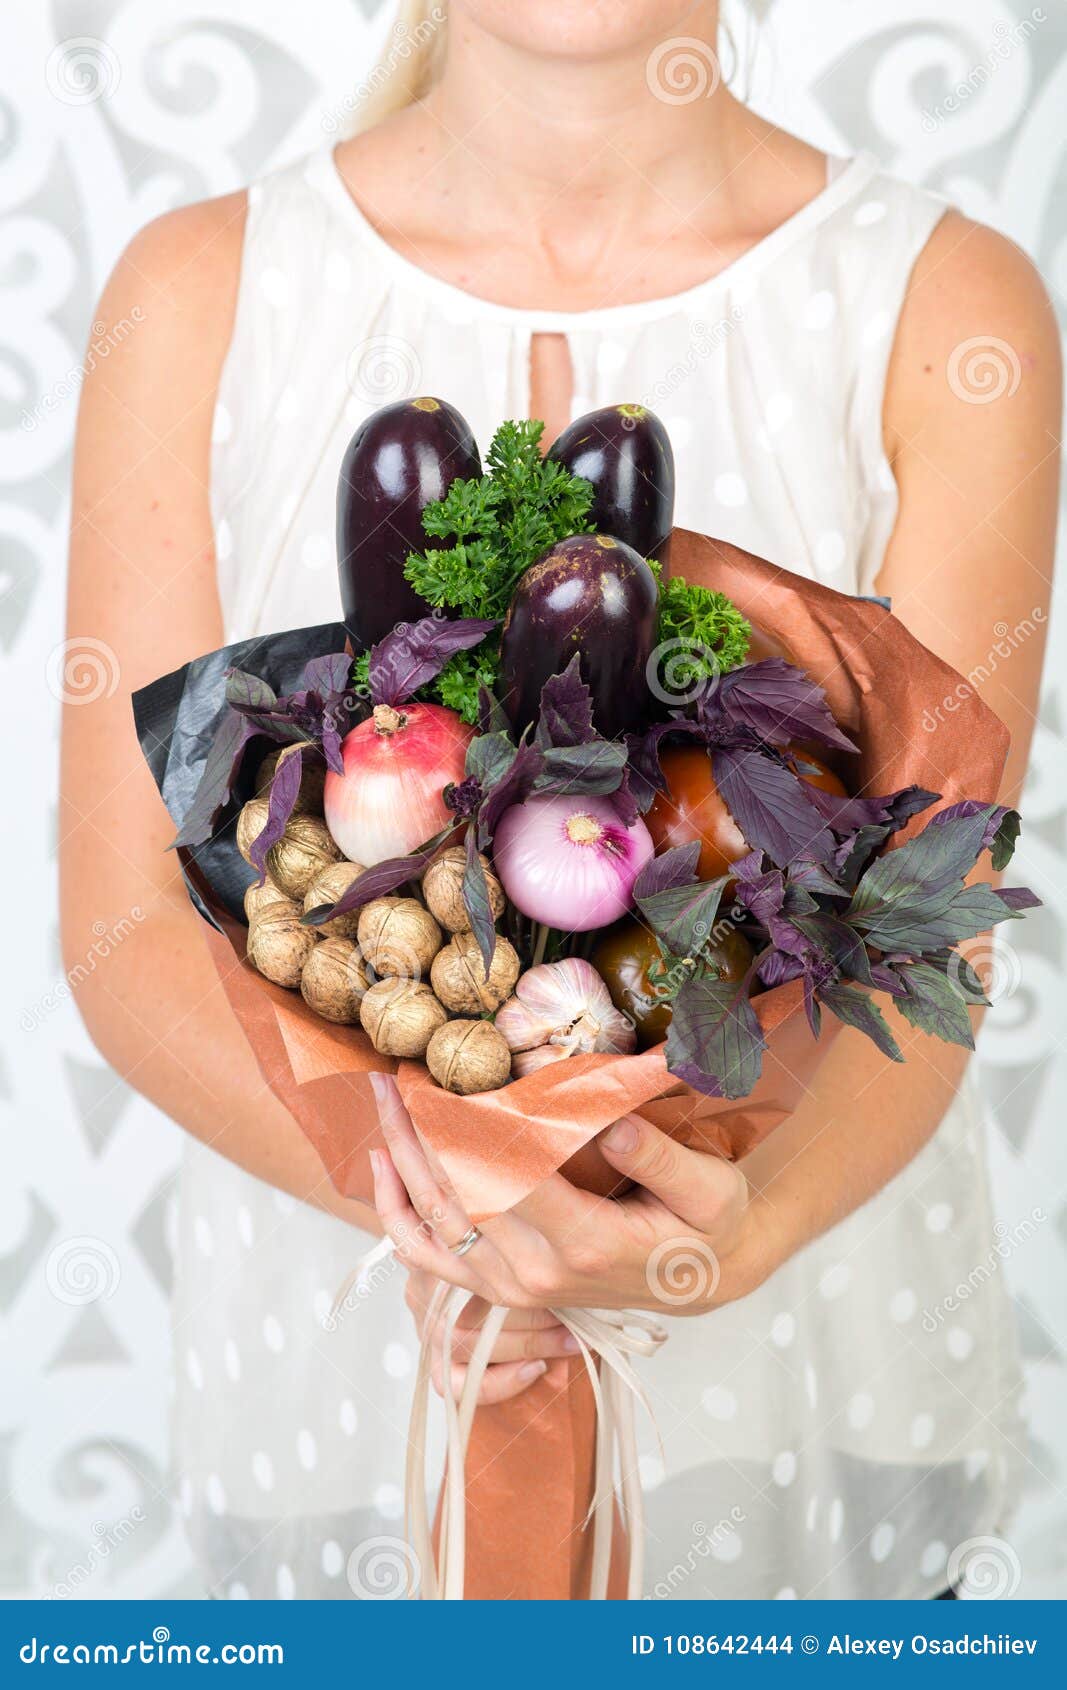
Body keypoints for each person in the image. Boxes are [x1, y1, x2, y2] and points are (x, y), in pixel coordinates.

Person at [61, 0, 1058, 1599]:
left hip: (807, 1424)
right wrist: (457, 1214)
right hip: (351, 1433)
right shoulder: (198, 294)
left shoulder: (943, 304)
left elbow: (928, 933)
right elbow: (122, 926)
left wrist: (733, 1231)